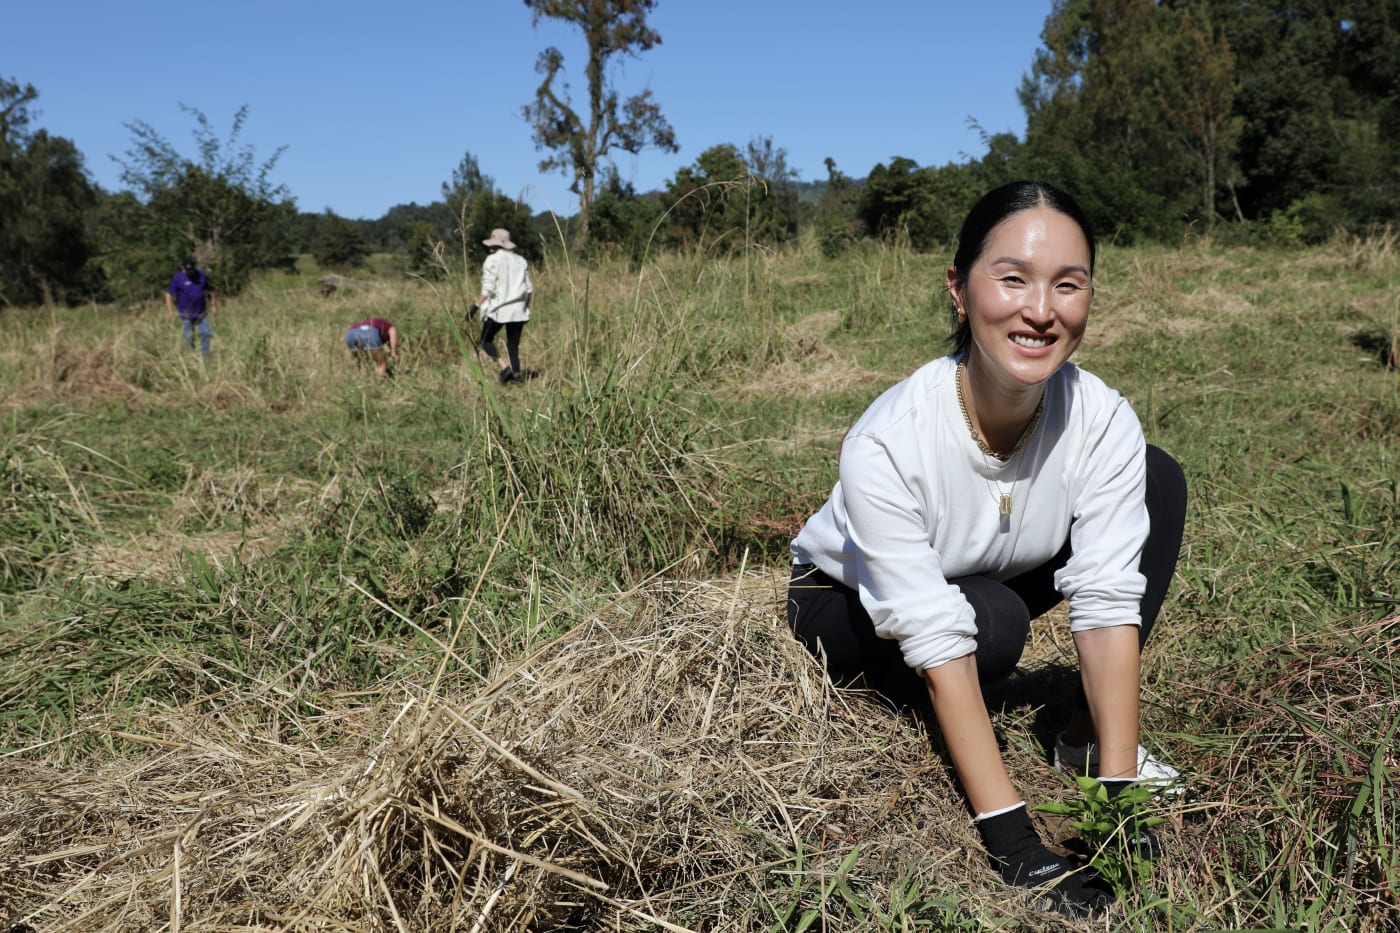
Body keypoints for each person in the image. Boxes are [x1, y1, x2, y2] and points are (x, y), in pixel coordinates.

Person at [786, 181, 1187, 919]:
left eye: (1068, 284)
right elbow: (938, 633)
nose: (1040, 310)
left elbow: (1105, 596)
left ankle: (1080, 741)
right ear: (959, 289)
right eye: (1012, 278)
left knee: (1158, 478)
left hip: (989, 569)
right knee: (991, 626)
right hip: (842, 597)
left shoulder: (1100, 417)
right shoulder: (889, 440)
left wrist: (1117, 798)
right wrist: (1017, 846)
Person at [473, 228, 533, 384]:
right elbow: (529, 290)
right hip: (518, 310)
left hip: (498, 309)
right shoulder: (520, 261)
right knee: (513, 345)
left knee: (485, 341)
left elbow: (487, 289)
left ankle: (504, 367)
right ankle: (517, 375)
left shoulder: (492, 260)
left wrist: (474, 307)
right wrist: (526, 308)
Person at [165, 259, 217, 357]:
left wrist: (213, 305)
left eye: (191, 270)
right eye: (187, 270)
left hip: (201, 312)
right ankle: (191, 356)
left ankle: (205, 356)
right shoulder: (178, 278)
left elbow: (210, 290)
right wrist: (170, 311)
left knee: (206, 333)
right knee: (188, 337)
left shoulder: (201, 275)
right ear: (183, 268)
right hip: (185, 313)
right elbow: (168, 294)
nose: (190, 273)